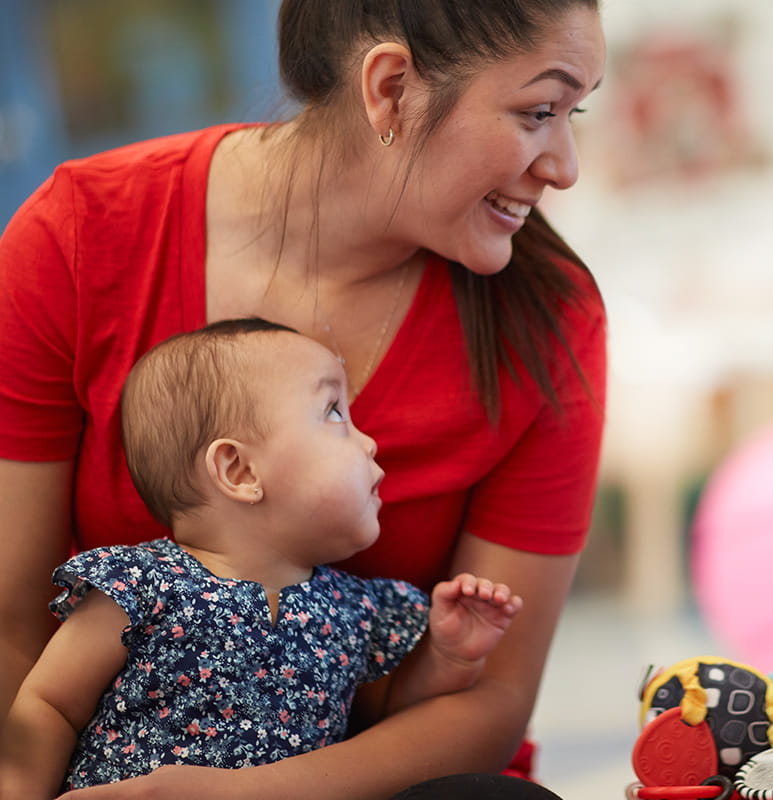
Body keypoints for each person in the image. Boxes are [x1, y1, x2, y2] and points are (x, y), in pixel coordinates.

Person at [0, 0, 606, 796]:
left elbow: (493, 700)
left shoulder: (549, 316)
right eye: (537, 112)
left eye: (573, 115)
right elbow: (12, 630)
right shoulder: (82, 234)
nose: (563, 165)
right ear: (391, 89)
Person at [0, 319, 524, 796]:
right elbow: (49, 705)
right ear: (239, 471)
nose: (369, 443)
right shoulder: (138, 586)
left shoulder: (356, 608)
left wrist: (451, 658)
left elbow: (393, 715)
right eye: (334, 413)